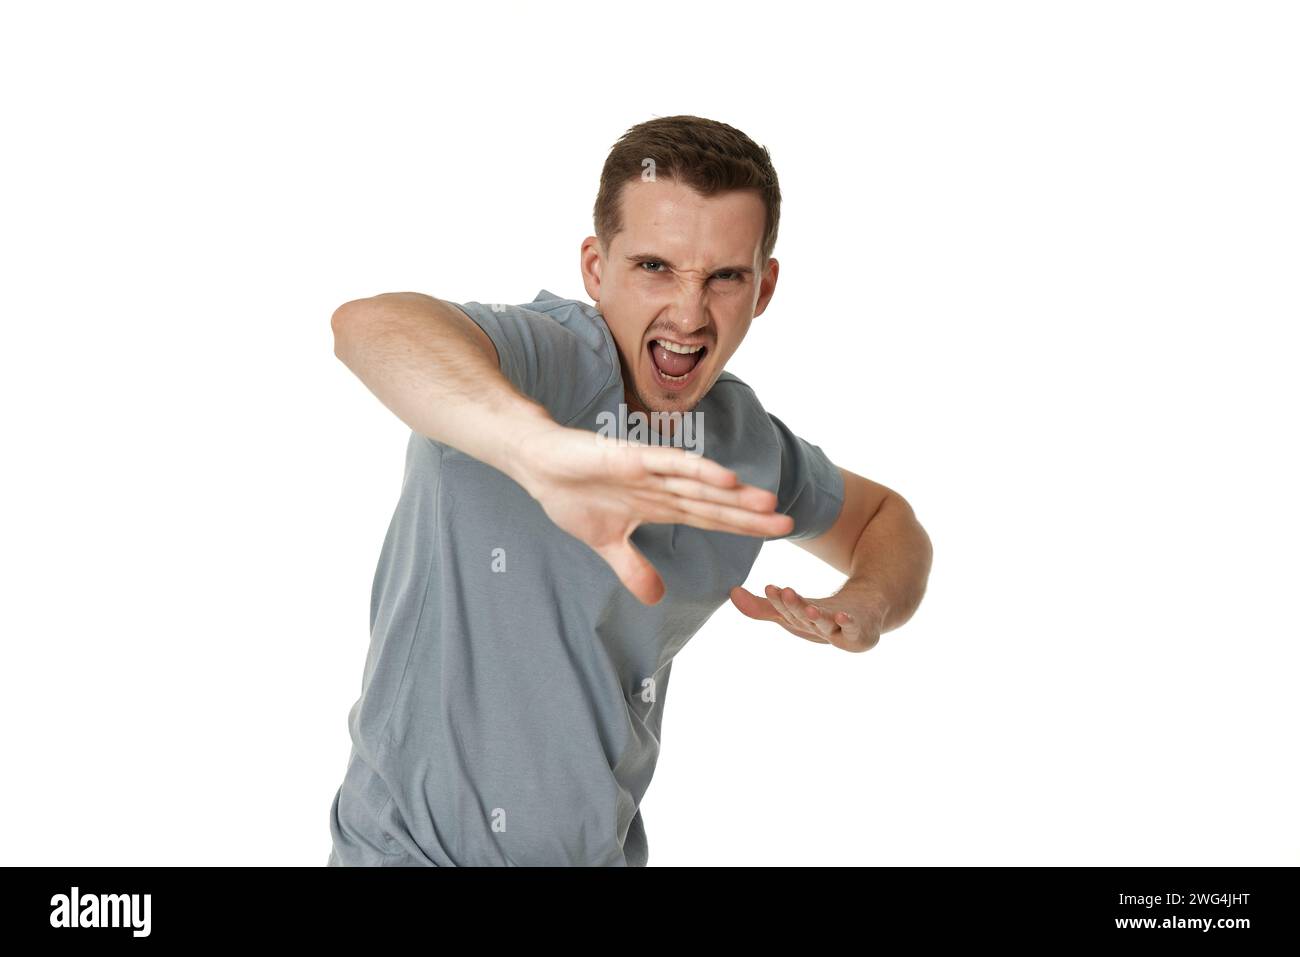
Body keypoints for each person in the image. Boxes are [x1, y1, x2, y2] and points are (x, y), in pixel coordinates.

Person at [325, 114, 933, 866]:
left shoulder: (746, 441)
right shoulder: (540, 361)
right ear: (595, 268)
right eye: (654, 267)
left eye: (724, 277)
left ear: (764, 285)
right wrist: (534, 447)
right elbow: (372, 326)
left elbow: (885, 518)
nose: (687, 312)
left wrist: (868, 604)